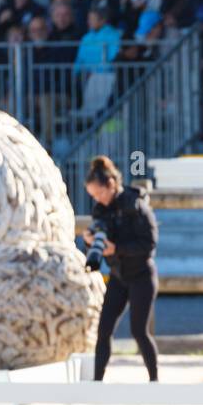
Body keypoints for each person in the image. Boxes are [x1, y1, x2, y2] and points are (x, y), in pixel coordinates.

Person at [83, 156, 159, 382]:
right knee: (103, 330)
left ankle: (154, 381)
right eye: (93, 196)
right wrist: (90, 240)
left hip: (142, 276)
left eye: (100, 194)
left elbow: (149, 244)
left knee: (139, 331)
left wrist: (117, 248)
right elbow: (100, 237)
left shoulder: (136, 205)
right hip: (118, 276)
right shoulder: (100, 210)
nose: (98, 200)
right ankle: (97, 382)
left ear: (111, 184)